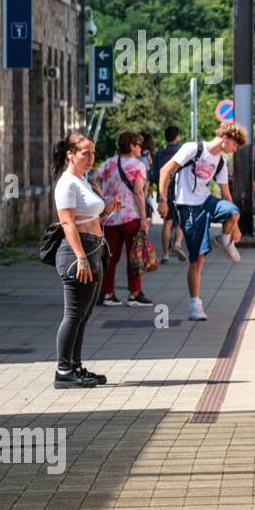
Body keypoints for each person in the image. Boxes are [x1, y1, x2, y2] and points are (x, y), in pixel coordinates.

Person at [157, 122, 247, 322]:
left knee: (233, 211)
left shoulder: (221, 162)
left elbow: (225, 193)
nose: (235, 149)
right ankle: (195, 305)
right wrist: (163, 200)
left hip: (206, 200)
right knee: (197, 257)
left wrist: (235, 226)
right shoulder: (192, 148)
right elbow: (165, 170)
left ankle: (224, 240)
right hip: (187, 207)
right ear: (225, 139)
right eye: (235, 145)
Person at [52, 132, 120, 388]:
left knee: (84, 314)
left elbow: (90, 216)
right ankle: (63, 371)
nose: (91, 158)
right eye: (85, 153)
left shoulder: (83, 180)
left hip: (94, 249)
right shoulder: (67, 183)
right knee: (73, 314)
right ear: (70, 154)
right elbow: (67, 221)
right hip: (76, 253)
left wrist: (108, 208)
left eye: (93, 153)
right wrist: (80, 257)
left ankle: (75, 366)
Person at [95, 131, 153, 307]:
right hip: (130, 217)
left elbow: (93, 179)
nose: (140, 148)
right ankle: (135, 293)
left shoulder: (110, 162)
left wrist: (102, 199)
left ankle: (107, 293)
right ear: (131, 146)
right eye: (138, 145)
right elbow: (138, 192)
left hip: (109, 218)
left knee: (110, 257)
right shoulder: (138, 165)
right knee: (134, 255)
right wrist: (144, 218)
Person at [152, 126, 187, 264]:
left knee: (167, 222)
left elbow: (155, 175)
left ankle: (165, 254)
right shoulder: (182, 152)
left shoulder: (159, 154)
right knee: (180, 221)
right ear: (177, 137)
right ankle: (178, 244)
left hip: (164, 192)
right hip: (180, 192)